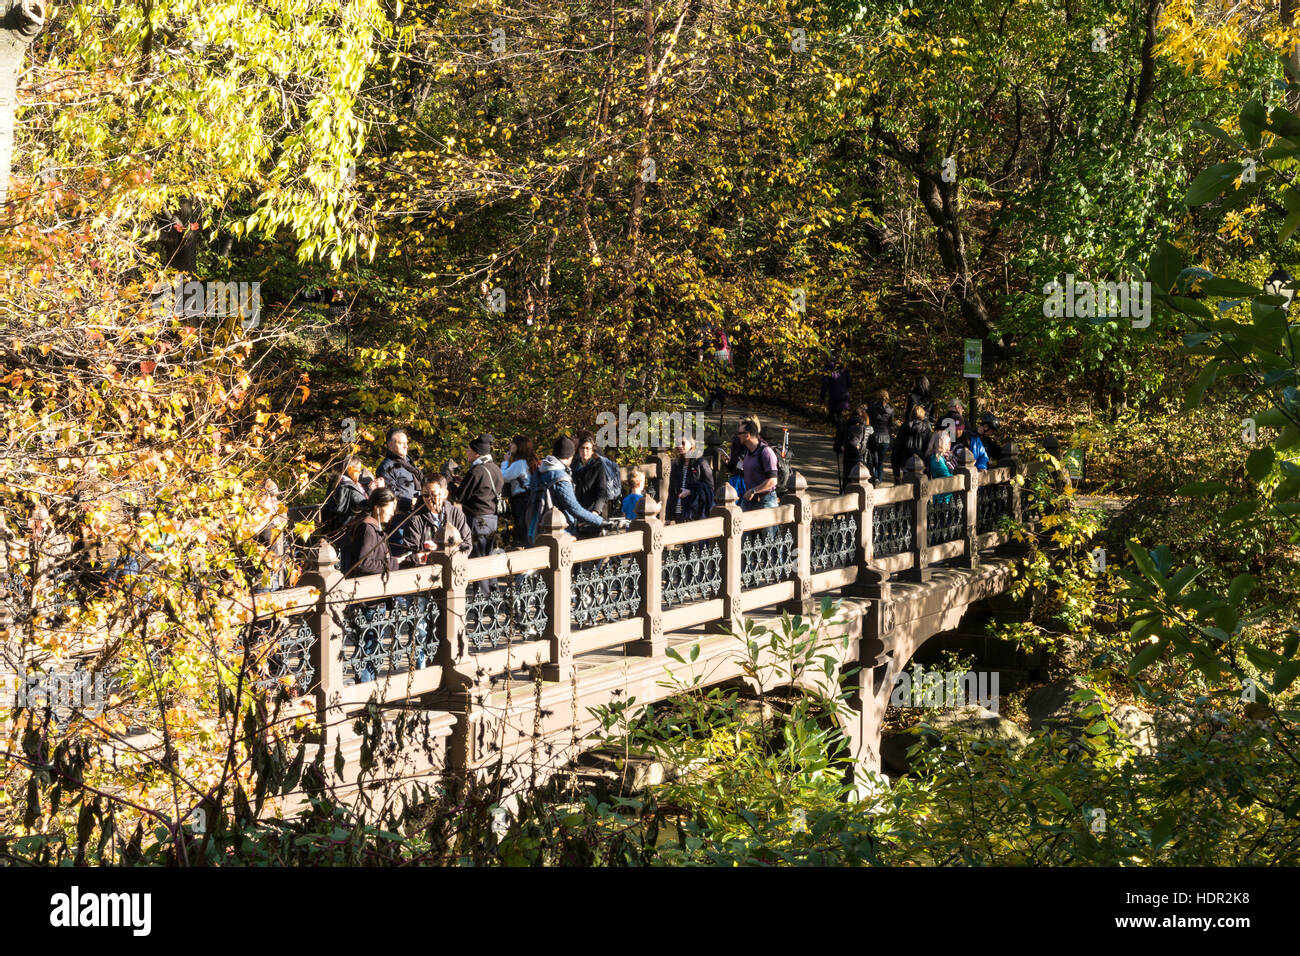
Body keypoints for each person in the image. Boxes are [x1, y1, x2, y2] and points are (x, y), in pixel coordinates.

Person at [529, 437, 605, 539]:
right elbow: (574, 509)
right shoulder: (560, 478)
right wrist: (601, 522)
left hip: (536, 525)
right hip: (560, 531)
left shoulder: (539, 472)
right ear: (570, 456)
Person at [455, 433, 504, 560]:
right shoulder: (495, 468)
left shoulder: (477, 471)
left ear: (477, 453)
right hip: (492, 518)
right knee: (489, 557)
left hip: (477, 521)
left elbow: (459, 497)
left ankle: (482, 581)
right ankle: (492, 581)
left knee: (478, 559)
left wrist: (450, 484)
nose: (466, 452)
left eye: (469, 450)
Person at [399, 475, 471, 558]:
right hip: (427, 567)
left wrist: (441, 550)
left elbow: (467, 544)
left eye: (434, 495)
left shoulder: (456, 514)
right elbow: (410, 550)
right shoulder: (414, 518)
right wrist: (426, 554)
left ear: (445, 494)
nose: (429, 499)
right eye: (426, 495)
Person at [346, 487, 406, 577]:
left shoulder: (374, 528)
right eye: (389, 509)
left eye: (393, 511)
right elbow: (364, 563)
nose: (392, 514)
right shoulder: (367, 529)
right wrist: (393, 563)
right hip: (368, 586)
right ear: (377, 508)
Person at [322, 455, 376, 550]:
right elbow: (367, 506)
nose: (360, 472)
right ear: (349, 469)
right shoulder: (350, 487)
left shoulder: (336, 482)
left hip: (339, 530)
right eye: (358, 469)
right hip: (352, 531)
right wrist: (372, 491)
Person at [375, 427, 424, 515]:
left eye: (406, 443)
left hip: (418, 510)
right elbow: (389, 493)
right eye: (401, 443)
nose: (406, 446)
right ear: (390, 445)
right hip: (402, 514)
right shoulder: (385, 467)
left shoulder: (409, 463)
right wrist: (410, 502)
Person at [667, 436, 716, 522]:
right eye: (678, 443)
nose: (680, 446)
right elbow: (671, 491)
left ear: (691, 444)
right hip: (679, 511)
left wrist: (690, 492)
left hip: (694, 511)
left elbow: (710, 488)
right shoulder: (676, 464)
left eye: (683, 443)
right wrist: (668, 516)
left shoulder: (701, 463)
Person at [501, 435, 537, 547]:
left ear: (519, 446)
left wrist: (505, 462)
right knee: (529, 528)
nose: (510, 445)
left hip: (521, 500)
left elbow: (503, 476)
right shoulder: (530, 461)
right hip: (531, 498)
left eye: (513, 443)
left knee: (522, 528)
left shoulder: (520, 463)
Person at [736, 419, 779, 510]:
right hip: (749, 500)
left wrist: (754, 490)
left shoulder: (766, 452)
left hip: (766, 501)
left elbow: (772, 481)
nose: (737, 436)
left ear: (747, 436)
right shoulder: (748, 452)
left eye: (739, 433)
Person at [571, 429, 611, 520]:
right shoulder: (574, 464)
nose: (585, 451)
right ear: (578, 449)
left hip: (592, 508)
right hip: (577, 508)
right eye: (582, 448)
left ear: (592, 450)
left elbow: (602, 490)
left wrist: (596, 511)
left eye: (588, 448)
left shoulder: (598, 465)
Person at [835, 404, 873, 493]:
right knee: (863, 483)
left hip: (848, 460)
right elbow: (874, 445)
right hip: (862, 460)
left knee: (848, 481)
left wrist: (842, 450)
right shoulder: (868, 429)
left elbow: (836, 446)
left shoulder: (845, 427)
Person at [892, 404, 932, 483]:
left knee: (907, 487)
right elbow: (929, 448)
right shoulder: (926, 428)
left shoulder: (904, 426)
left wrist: (896, 471)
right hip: (922, 462)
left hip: (906, 462)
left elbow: (897, 448)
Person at [866, 389, 894, 484]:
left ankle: (874, 476)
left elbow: (867, 420)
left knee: (872, 458)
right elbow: (890, 424)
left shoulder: (872, 407)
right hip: (885, 437)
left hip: (874, 436)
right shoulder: (890, 410)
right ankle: (879, 479)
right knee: (881, 461)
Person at [819, 353, 851, 430]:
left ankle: (841, 430)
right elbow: (849, 383)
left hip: (834, 395)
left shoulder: (828, 369)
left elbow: (825, 384)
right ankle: (840, 433)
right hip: (844, 395)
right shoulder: (844, 369)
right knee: (838, 415)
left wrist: (822, 397)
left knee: (833, 416)